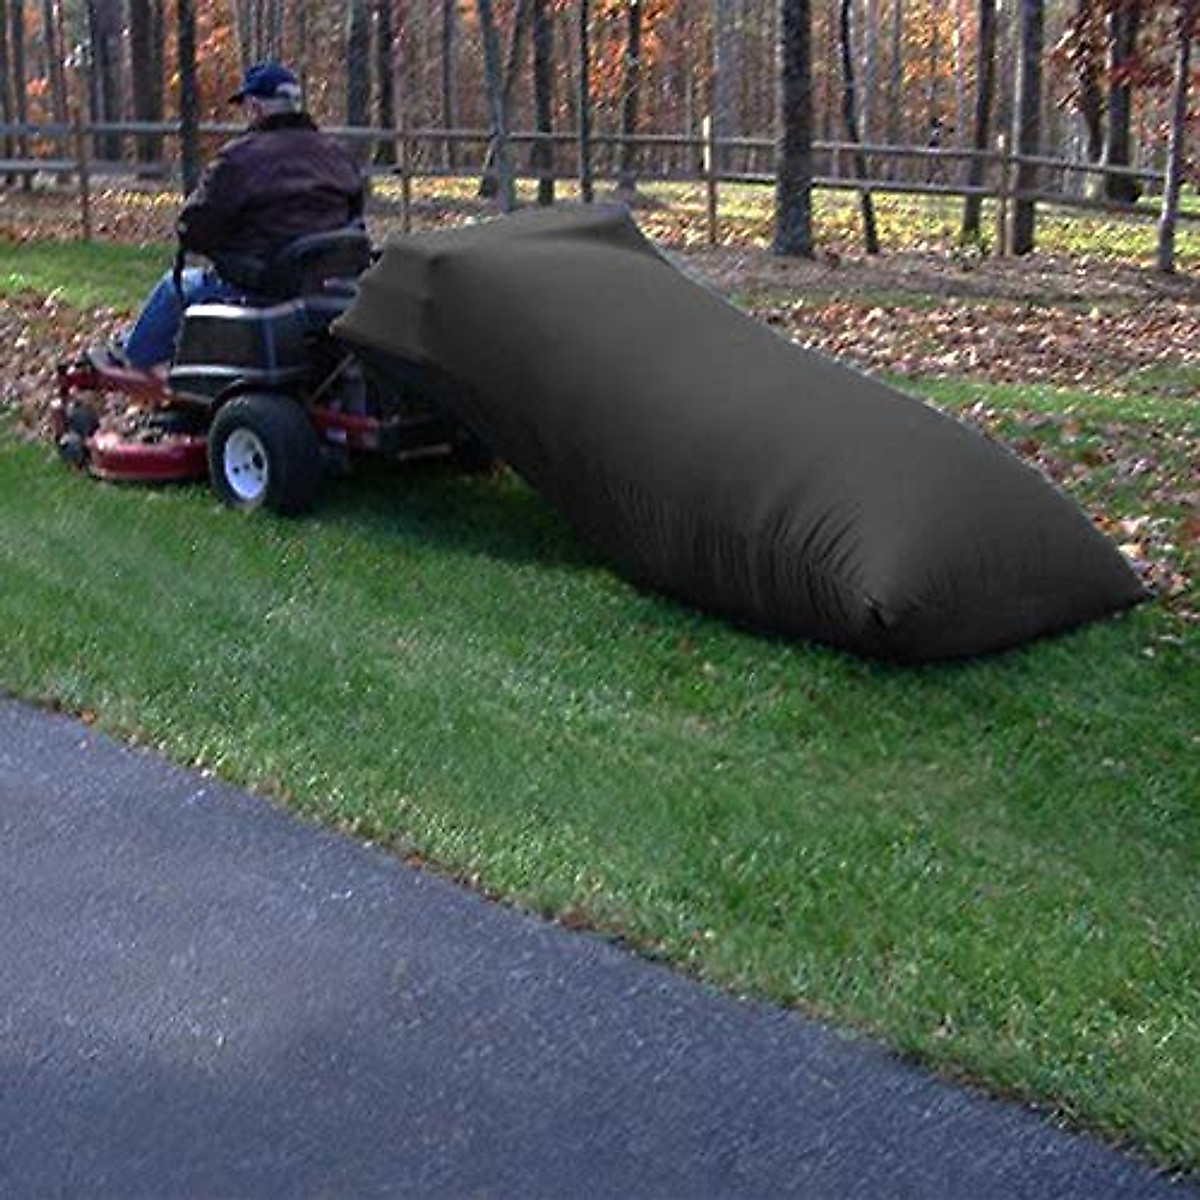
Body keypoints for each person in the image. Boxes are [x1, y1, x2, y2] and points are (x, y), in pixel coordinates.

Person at [114, 61, 365, 370]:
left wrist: (219, 243)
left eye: (246, 107)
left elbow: (196, 228)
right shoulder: (338, 155)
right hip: (328, 287)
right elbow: (355, 216)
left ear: (256, 109)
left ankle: (132, 360)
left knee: (174, 287)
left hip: (263, 287)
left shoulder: (239, 159)